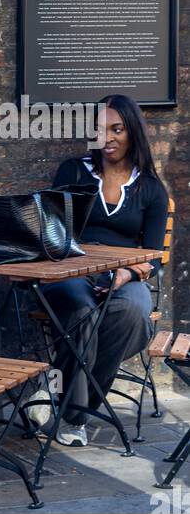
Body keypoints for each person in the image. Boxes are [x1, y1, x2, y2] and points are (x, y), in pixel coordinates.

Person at [36, 94, 169, 447]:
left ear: (132, 133)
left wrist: (127, 273)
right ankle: (75, 416)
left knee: (134, 310)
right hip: (71, 271)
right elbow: (51, 231)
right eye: (98, 129)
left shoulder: (151, 188)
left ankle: (69, 404)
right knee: (82, 313)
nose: (107, 138)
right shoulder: (74, 171)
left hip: (123, 274)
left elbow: (153, 258)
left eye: (117, 129)